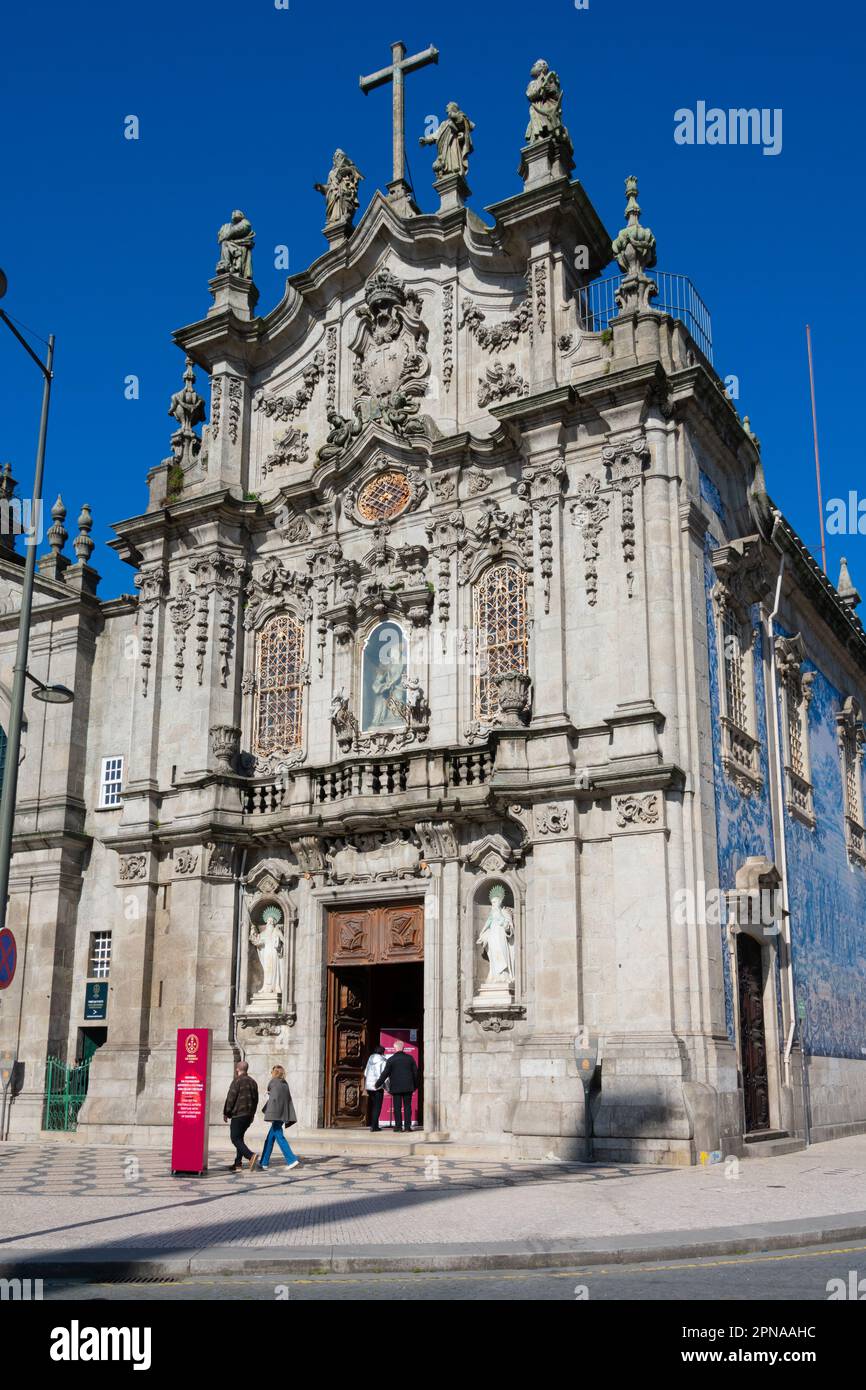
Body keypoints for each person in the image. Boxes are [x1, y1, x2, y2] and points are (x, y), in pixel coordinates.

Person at [259, 1064, 299, 1171]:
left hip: (277, 1114)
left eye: (272, 1072)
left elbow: (274, 1098)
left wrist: (268, 1095)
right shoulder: (284, 1083)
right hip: (283, 1113)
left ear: (274, 1073)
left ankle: (291, 1159)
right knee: (270, 1137)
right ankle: (264, 1162)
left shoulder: (273, 1082)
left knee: (279, 1136)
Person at [222, 1060, 259, 1172]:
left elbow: (231, 1098)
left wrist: (226, 1112)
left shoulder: (237, 1081)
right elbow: (256, 1100)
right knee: (240, 1138)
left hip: (238, 1115)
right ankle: (238, 1163)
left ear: (237, 1069)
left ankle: (250, 1156)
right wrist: (252, 1114)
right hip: (248, 1115)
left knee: (235, 1138)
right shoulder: (253, 1082)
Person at [376, 1040, 418, 1133]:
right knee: (407, 1107)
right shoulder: (410, 1058)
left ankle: (398, 1127)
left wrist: (378, 1083)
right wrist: (415, 1085)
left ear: (395, 1048)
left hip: (396, 1088)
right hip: (408, 1087)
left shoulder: (391, 1059)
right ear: (403, 1048)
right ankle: (407, 1127)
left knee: (397, 1107)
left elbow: (385, 1074)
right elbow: (415, 1073)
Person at [364, 1044, 387, 1131]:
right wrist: (387, 1087)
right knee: (377, 1107)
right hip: (378, 1086)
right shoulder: (382, 1061)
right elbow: (384, 1075)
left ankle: (373, 1124)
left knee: (373, 1106)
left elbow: (365, 1073)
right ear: (382, 1052)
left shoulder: (370, 1059)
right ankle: (374, 1126)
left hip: (369, 1087)